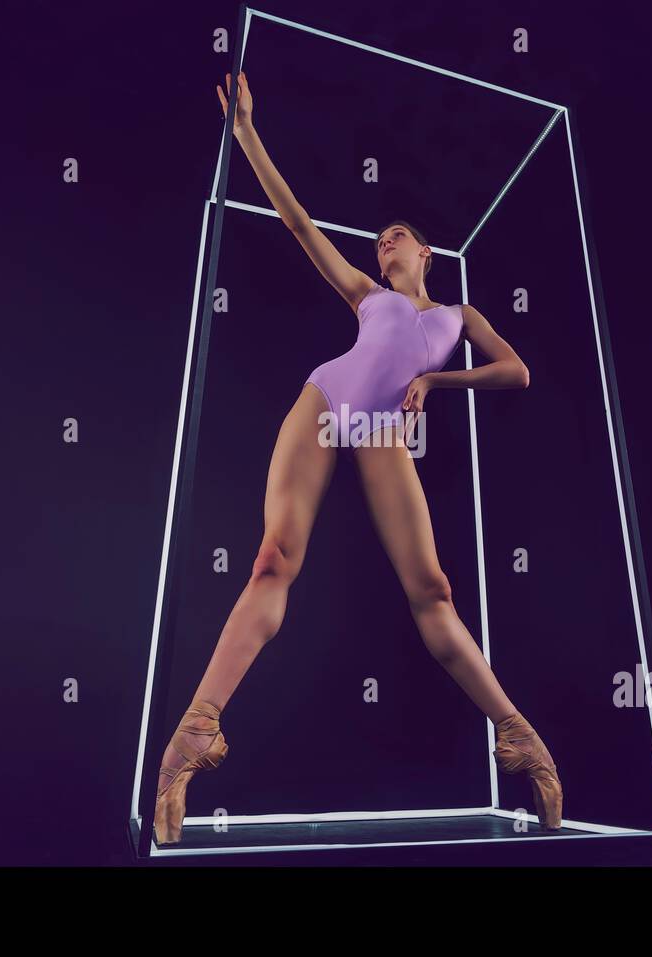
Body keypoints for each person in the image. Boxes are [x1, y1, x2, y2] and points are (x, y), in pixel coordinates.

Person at [150, 71, 563, 846]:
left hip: (382, 432)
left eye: (398, 235)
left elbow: (517, 371)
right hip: (327, 401)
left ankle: (520, 736)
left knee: (433, 589)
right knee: (273, 559)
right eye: (381, 238)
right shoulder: (367, 295)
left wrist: (437, 380)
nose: (385, 241)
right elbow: (300, 223)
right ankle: (193, 734)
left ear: (428, 253)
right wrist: (246, 133)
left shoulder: (457, 316)